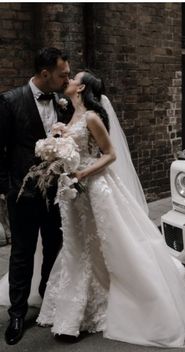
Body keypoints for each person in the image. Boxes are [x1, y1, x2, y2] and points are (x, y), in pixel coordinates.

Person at [36, 71, 185, 347]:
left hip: (94, 189)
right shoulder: (69, 116)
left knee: (109, 246)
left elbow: (110, 154)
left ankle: (102, 306)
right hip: (72, 193)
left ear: (81, 87)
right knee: (78, 247)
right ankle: (74, 311)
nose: (68, 80)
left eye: (74, 78)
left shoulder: (92, 118)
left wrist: (82, 174)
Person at [0, 47, 71, 345]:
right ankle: (17, 313)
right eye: (62, 74)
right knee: (22, 253)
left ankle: (46, 294)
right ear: (45, 74)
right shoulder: (10, 101)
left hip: (55, 193)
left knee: (54, 246)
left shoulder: (62, 103)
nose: (66, 79)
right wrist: (6, 189)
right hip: (22, 193)